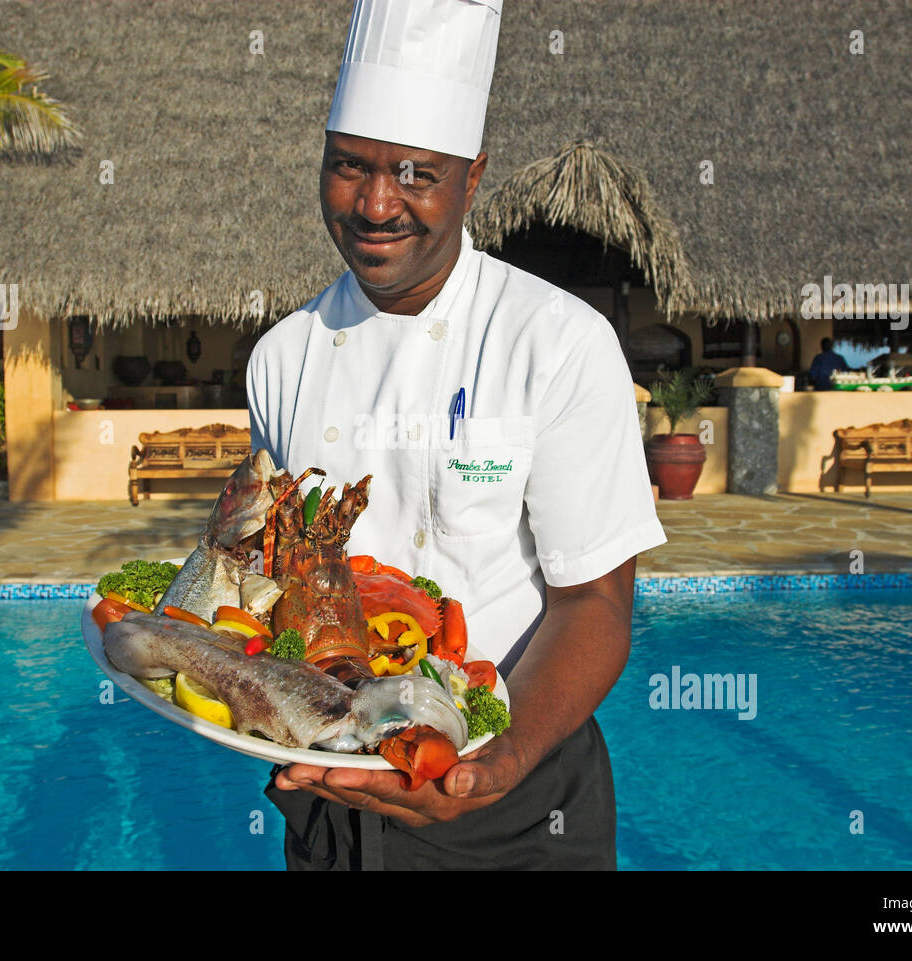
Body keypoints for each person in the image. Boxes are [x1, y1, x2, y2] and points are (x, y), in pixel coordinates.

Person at [247, 0, 666, 870]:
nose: (375, 203)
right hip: (332, 806)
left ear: (472, 178)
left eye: (414, 173)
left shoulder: (555, 341)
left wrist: (499, 761)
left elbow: (597, 604)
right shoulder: (281, 358)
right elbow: (277, 580)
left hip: (515, 807)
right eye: (348, 166)